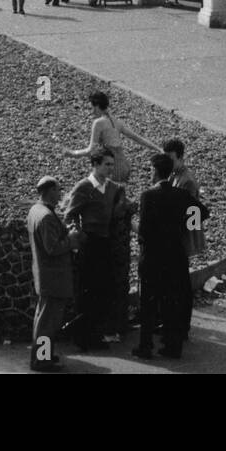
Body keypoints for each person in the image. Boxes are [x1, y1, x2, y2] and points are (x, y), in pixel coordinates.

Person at [131, 153, 199, 360]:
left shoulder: (148, 196)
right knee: (172, 301)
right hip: (175, 255)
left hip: (152, 256)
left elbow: (144, 231)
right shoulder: (181, 195)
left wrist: (130, 225)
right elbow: (201, 212)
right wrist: (186, 227)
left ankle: (145, 346)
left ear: (155, 171)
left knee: (149, 303)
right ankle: (173, 345)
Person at [63, 151, 128, 352]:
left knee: (103, 291)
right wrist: (79, 234)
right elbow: (69, 215)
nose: (110, 168)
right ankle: (83, 336)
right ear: (95, 164)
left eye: (112, 164)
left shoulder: (112, 188)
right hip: (90, 243)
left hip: (105, 242)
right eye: (107, 164)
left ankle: (96, 333)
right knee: (87, 291)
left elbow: (120, 207)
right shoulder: (83, 187)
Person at [27, 176, 78, 372]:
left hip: (45, 275)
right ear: (49, 191)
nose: (60, 194)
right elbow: (52, 248)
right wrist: (71, 239)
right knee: (48, 322)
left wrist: (64, 231)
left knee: (43, 318)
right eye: (58, 190)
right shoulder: (46, 216)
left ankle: (43, 354)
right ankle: (42, 360)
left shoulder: (36, 210)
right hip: (53, 276)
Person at [70, 90, 159, 185]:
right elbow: (138, 138)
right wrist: (157, 149)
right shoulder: (117, 122)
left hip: (109, 168)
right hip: (123, 166)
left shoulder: (98, 123)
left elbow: (91, 150)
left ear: (96, 106)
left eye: (91, 107)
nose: (92, 111)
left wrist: (72, 153)